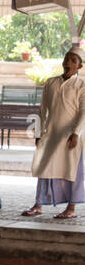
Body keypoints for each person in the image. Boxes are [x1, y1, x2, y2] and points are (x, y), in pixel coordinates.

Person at [23, 46, 85, 219]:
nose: (68, 63)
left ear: (79, 67)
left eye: (74, 61)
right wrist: (39, 133)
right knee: (44, 167)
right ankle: (38, 205)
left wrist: (76, 133)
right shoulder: (51, 82)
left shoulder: (81, 85)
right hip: (51, 132)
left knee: (72, 170)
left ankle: (71, 209)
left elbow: (83, 111)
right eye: (67, 59)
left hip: (71, 135)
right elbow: (43, 110)